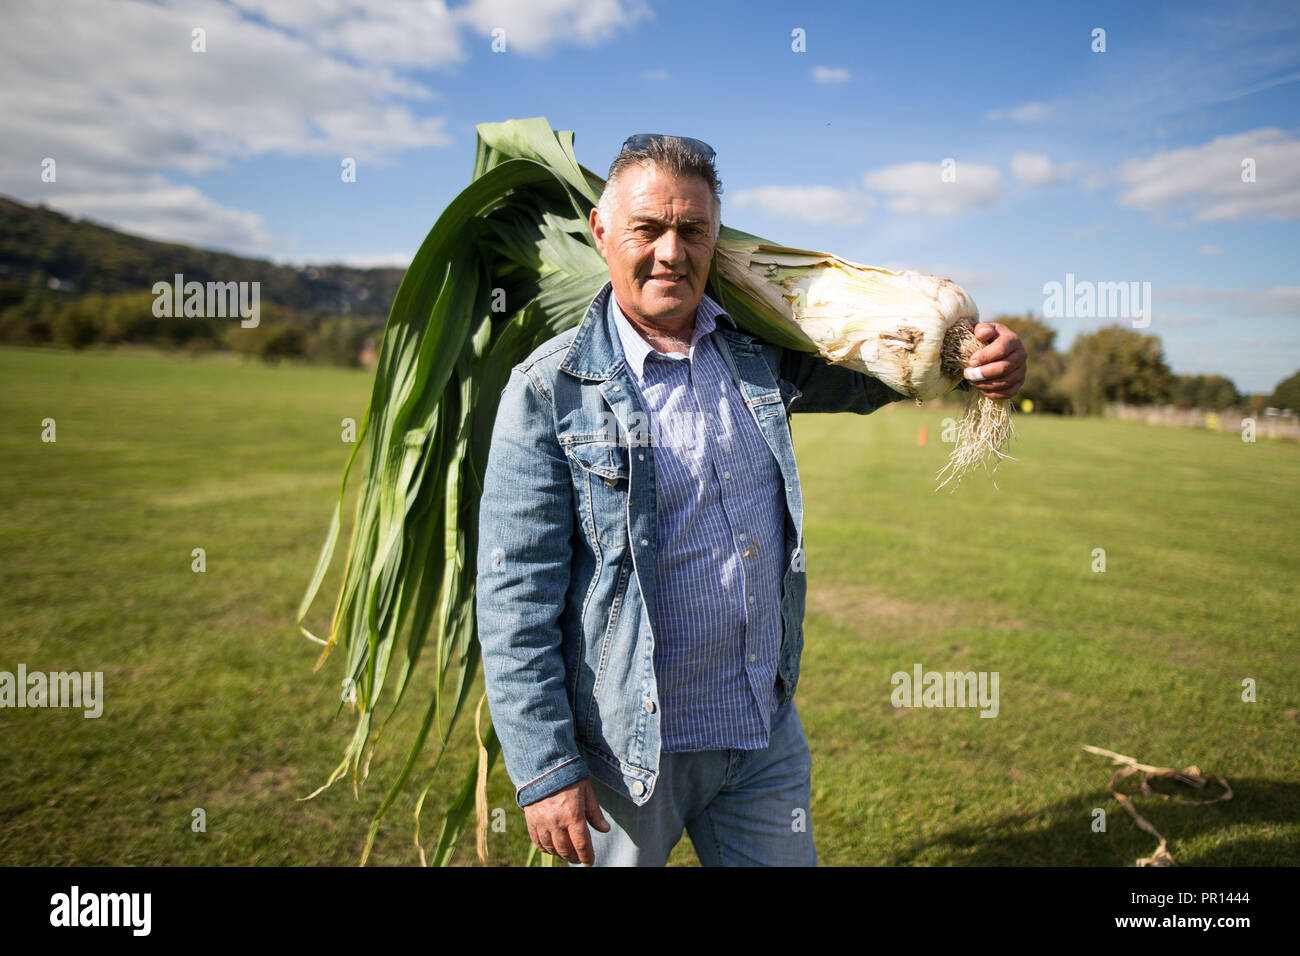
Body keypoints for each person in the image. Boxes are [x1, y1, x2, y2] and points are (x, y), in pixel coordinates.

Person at [476, 133, 1026, 866]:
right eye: (648, 228)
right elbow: (514, 591)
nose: (671, 252)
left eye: (692, 230)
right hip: (626, 753)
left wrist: (972, 358)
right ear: (601, 231)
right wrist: (546, 769)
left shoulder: (755, 350)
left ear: (716, 239)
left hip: (758, 734)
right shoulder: (548, 391)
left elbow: (871, 375)